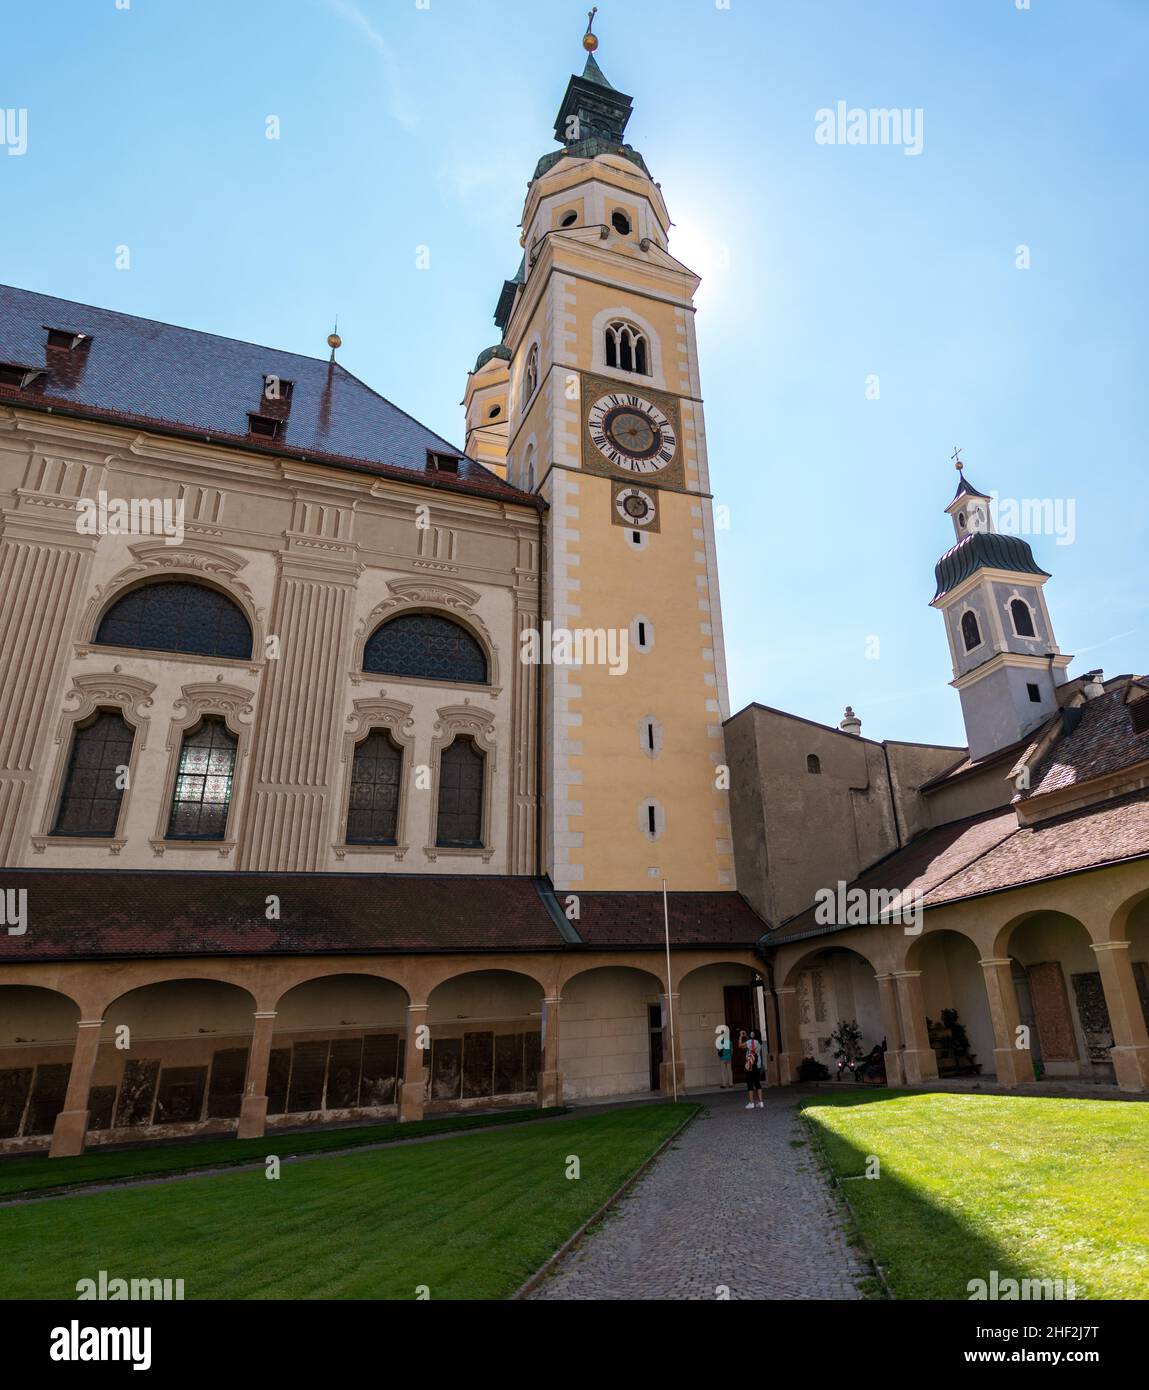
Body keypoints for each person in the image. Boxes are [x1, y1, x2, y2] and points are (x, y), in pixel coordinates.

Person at [743, 1028, 765, 1109]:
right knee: (757, 1083)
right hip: (758, 1064)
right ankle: (760, 1102)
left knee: (750, 1083)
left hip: (750, 1064)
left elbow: (740, 1045)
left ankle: (751, 1103)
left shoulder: (750, 1042)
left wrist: (741, 1036)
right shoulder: (759, 1043)